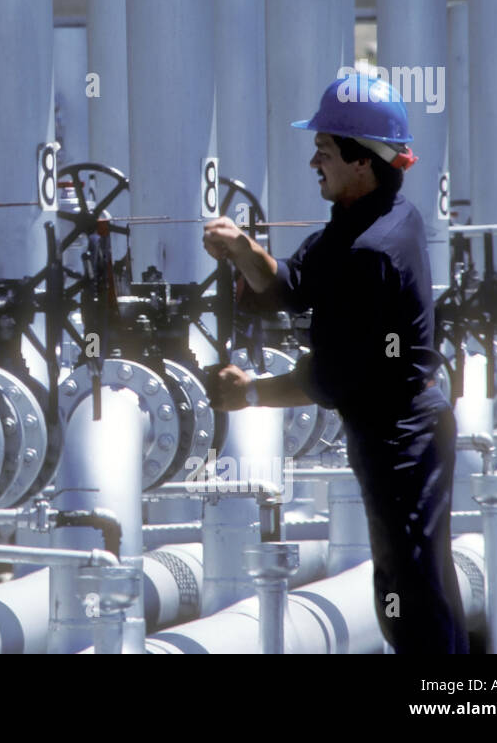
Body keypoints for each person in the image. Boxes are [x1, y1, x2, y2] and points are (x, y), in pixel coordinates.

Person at [201, 72, 470, 654]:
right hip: (405, 427)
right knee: (416, 584)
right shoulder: (376, 216)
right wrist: (246, 252)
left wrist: (249, 392)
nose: (313, 162)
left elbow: (335, 377)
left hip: (400, 439)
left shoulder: (372, 252)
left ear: (362, 162)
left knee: (411, 597)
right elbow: (295, 287)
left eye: (324, 151)